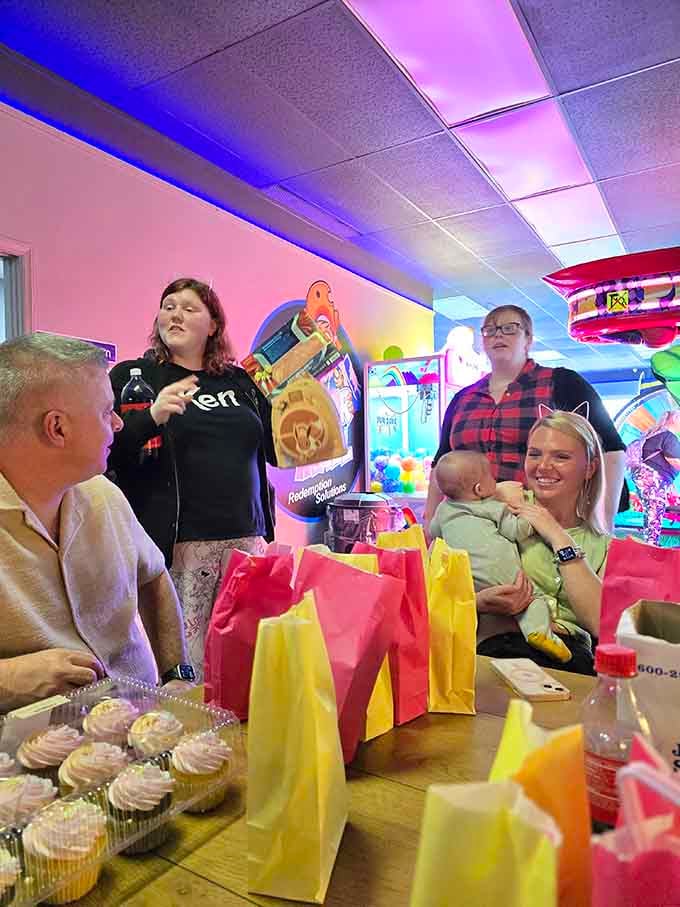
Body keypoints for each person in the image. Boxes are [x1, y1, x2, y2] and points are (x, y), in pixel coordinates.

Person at [0, 333, 191, 711]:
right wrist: (9, 678)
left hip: (138, 730)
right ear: (57, 428)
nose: (119, 423)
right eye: (107, 411)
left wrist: (176, 676)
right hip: (27, 755)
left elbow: (153, 577)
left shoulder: (104, 494)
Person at [108, 277, 276, 681]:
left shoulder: (240, 382)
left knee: (245, 657)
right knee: (186, 666)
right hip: (180, 545)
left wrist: (290, 400)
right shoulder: (136, 376)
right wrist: (152, 417)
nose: (175, 314)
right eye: (168, 305)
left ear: (213, 325)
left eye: (188, 307)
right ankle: (187, 741)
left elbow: (276, 451)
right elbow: (108, 454)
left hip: (245, 539)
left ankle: (244, 740)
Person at [425, 305, 627, 548]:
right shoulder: (463, 399)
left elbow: (611, 449)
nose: (498, 335)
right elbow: (442, 462)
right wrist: (429, 526)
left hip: (539, 531)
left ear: (528, 338)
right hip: (471, 532)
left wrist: (603, 522)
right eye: (489, 330)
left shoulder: (562, 382)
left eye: (509, 328)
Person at [476, 410, 610, 675]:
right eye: (534, 454)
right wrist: (478, 602)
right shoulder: (496, 510)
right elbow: (438, 591)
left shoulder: (605, 546)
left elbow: (598, 623)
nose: (543, 466)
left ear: (590, 468)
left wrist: (556, 533)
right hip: (497, 653)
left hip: (572, 665)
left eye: (561, 457)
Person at [430, 451, 572, 663]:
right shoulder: (494, 508)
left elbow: (434, 533)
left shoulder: (442, 510)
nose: (496, 482)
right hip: (503, 574)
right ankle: (539, 632)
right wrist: (532, 516)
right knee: (533, 600)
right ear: (479, 489)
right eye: (491, 478)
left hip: (466, 581)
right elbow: (516, 530)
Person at [626, 410, 680, 544]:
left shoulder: (654, 434)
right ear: (675, 419)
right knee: (655, 512)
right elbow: (676, 461)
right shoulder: (668, 436)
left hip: (642, 475)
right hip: (652, 478)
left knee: (651, 512)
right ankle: (651, 546)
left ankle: (650, 542)